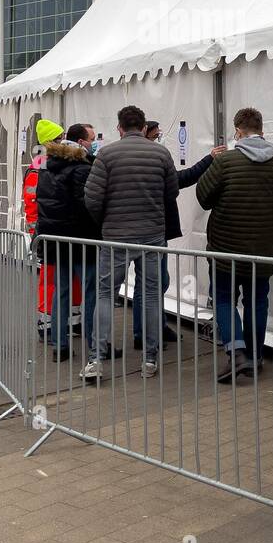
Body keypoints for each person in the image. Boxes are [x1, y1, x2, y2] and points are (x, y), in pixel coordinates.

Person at [195, 108, 273, 384]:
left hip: (226, 247)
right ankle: (255, 357)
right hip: (263, 249)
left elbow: (203, 197)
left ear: (238, 131)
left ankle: (236, 352)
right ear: (262, 130)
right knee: (257, 301)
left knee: (225, 299)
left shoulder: (226, 161)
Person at [83, 105, 179, 380]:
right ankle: (150, 359)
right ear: (144, 125)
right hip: (152, 235)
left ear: (119, 127)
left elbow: (92, 197)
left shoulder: (107, 155)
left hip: (115, 236)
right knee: (150, 295)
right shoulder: (161, 153)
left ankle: (96, 359)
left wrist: (106, 220)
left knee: (105, 295)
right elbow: (171, 191)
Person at [131, 122, 225, 350]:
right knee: (152, 283)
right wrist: (209, 159)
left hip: (151, 230)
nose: (159, 139)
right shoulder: (150, 160)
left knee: (156, 282)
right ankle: (146, 333)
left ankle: (153, 326)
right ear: (144, 133)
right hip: (151, 231)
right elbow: (179, 181)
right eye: (156, 136)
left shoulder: (148, 157)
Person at [35, 130, 99, 361]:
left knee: (60, 291)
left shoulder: (46, 166)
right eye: (92, 140)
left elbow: (43, 202)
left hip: (54, 238)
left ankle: (60, 346)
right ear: (81, 142)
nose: (94, 143)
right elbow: (87, 206)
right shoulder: (82, 169)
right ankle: (95, 346)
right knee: (90, 291)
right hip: (81, 239)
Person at [22, 118, 63, 234]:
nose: (63, 142)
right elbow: (31, 200)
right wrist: (33, 231)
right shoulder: (37, 167)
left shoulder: (50, 163)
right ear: (49, 142)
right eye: (60, 139)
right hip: (41, 230)